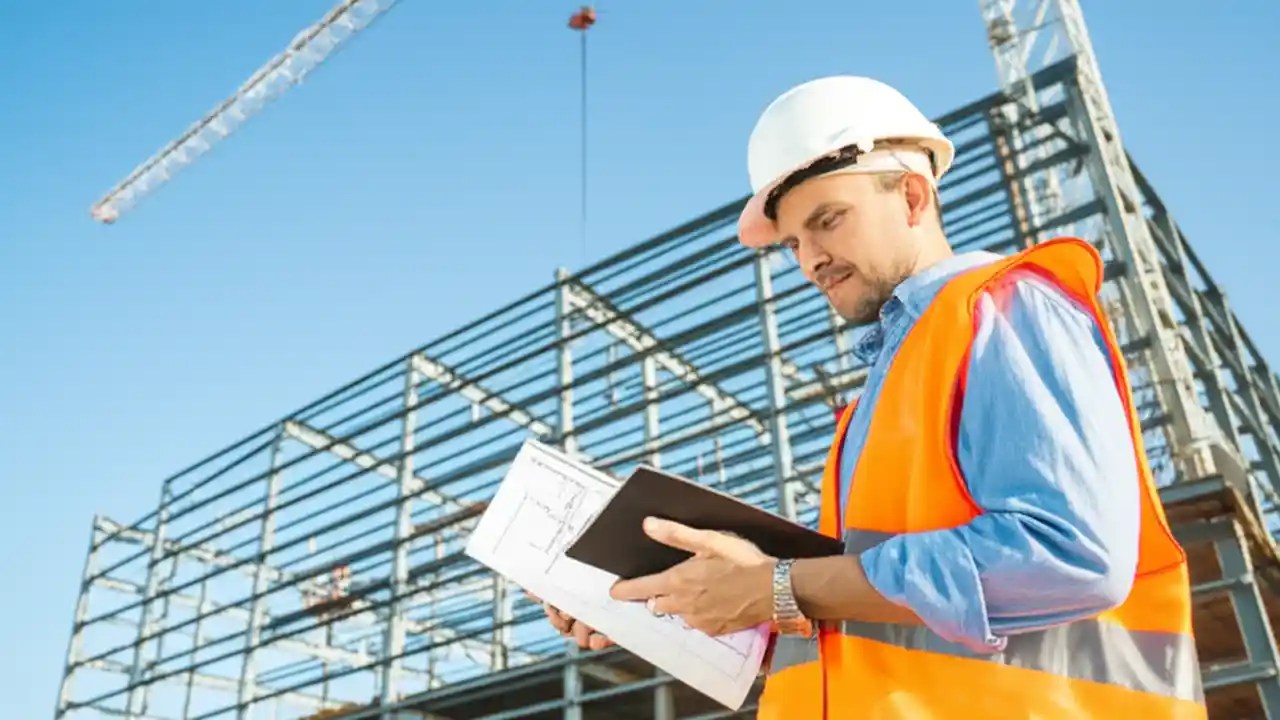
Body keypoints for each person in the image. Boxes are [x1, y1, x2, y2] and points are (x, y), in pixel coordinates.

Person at [535, 76, 1206, 718]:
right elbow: (870, 623)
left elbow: (1071, 556)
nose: (810, 260)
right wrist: (668, 602)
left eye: (828, 220)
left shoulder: (1003, 308)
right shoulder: (883, 394)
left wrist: (777, 584)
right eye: (794, 243)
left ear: (912, 197)